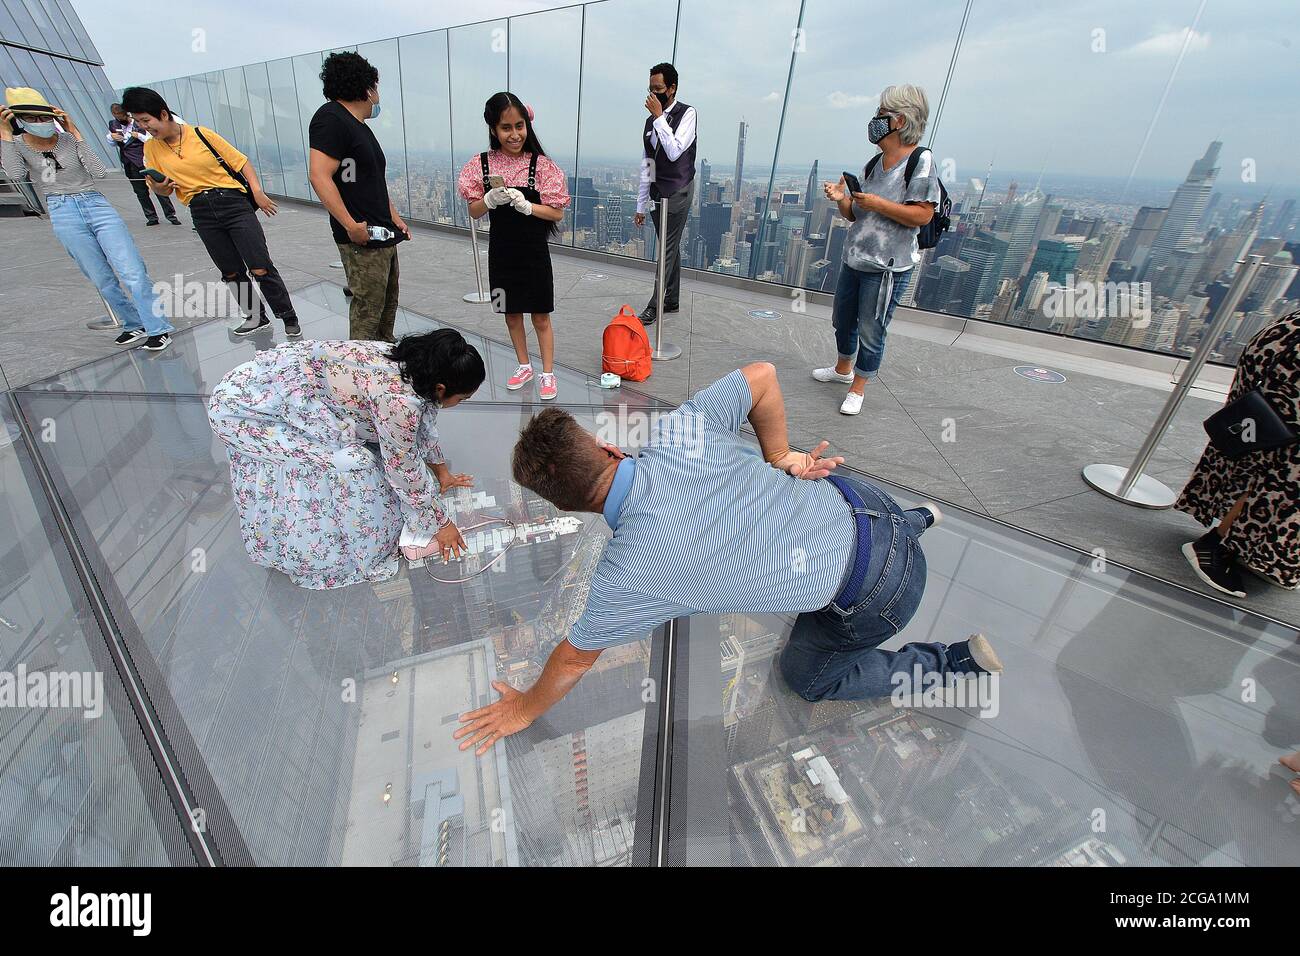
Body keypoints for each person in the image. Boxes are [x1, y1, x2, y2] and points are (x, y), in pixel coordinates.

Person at [453, 363, 1003, 754]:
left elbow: (573, 659)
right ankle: (916, 521)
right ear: (609, 449)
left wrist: (524, 709)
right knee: (809, 506)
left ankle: (952, 665)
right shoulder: (678, 432)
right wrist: (782, 456)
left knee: (806, 679)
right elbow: (762, 376)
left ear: (571, 506)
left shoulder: (624, 577)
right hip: (865, 502)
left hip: (883, 596)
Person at [206, 329, 485, 589]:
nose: (459, 404)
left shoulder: (413, 363)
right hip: (246, 412)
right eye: (461, 398)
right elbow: (405, 469)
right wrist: (442, 523)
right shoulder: (398, 401)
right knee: (354, 463)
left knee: (362, 458)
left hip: (265, 389)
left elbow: (423, 426)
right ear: (440, 388)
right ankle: (317, 550)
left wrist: (441, 471)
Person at [120, 86, 301, 338]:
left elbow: (241, 161)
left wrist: (257, 192)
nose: (143, 127)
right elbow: (162, 192)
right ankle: (256, 317)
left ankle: (288, 316)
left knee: (260, 266)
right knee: (230, 270)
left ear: (162, 114)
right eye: (138, 122)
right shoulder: (151, 149)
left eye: (146, 120)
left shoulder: (200, 134)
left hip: (233, 204)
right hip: (201, 211)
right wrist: (161, 188)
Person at [1, 87, 174, 351]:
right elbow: (14, 174)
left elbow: (98, 171)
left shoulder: (68, 141)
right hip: (62, 210)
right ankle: (132, 323)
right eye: (32, 118)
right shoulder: (20, 146)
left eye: (43, 117)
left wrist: (77, 134)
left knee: (132, 270)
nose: (40, 123)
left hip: (94, 203)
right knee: (99, 275)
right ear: (18, 119)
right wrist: (5, 137)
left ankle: (158, 328)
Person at [812, 85, 940, 416]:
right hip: (854, 257)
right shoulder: (874, 163)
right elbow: (857, 214)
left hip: (887, 266)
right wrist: (842, 198)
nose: (875, 120)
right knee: (843, 319)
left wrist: (879, 203)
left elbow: (923, 214)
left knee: (872, 327)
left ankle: (859, 385)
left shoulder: (920, 161)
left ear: (899, 120)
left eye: (881, 114)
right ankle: (842, 370)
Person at [1176, 309, 1300, 597]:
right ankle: (1215, 546)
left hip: (1282, 356)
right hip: (1289, 372)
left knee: (1271, 465)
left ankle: (1244, 547)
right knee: (1283, 477)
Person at [457, 93, 570, 400]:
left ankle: (548, 372)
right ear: (494, 129)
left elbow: (557, 211)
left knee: (541, 315)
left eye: (519, 126)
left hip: (533, 253)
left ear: (527, 125)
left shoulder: (542, 166)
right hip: (501, 252)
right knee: (510, 313)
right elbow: (473, 211)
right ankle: (524, 365)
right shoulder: (480, 164)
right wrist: (488, 200)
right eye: (506, 127)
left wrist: (528, 207)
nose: (515, 134)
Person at [308, 52, 410, 342]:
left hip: (382, 234)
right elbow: (319, 175)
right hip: (363, 238)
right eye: (375, 87)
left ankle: (381, 363)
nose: (377, 96)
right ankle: (360, 373)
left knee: (386, 306)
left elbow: (372, 182)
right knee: (368, 310)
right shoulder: (331, 119)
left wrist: (395, 218)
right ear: (367, 88)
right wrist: (351, 224)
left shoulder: (359, 127)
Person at [633, 63, 696, 326]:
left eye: (658, 89)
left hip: (679, 190)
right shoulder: (650, 122)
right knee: (670, 246)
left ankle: (655, 304)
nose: (653, 94)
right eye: (651, 89)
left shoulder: (687, 113)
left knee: (666, 249)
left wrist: (659, 117)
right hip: (659, 192)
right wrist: (640, 203)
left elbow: (674, 152)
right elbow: (649, 163)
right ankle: (671, 300)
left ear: (672, 88)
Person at [107, 102, 180, 226]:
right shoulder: (113, 124)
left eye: (121, 115)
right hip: (129, 162)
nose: (119, 118)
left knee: (158, 187)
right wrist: (111, 138)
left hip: (145, 160)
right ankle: (151, 217)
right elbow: (113, 144)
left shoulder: (139, 123)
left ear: (126, 113)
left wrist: (139, 136)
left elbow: (151, 140)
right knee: (140, 192)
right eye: (116, 116)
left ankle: (170, 215)